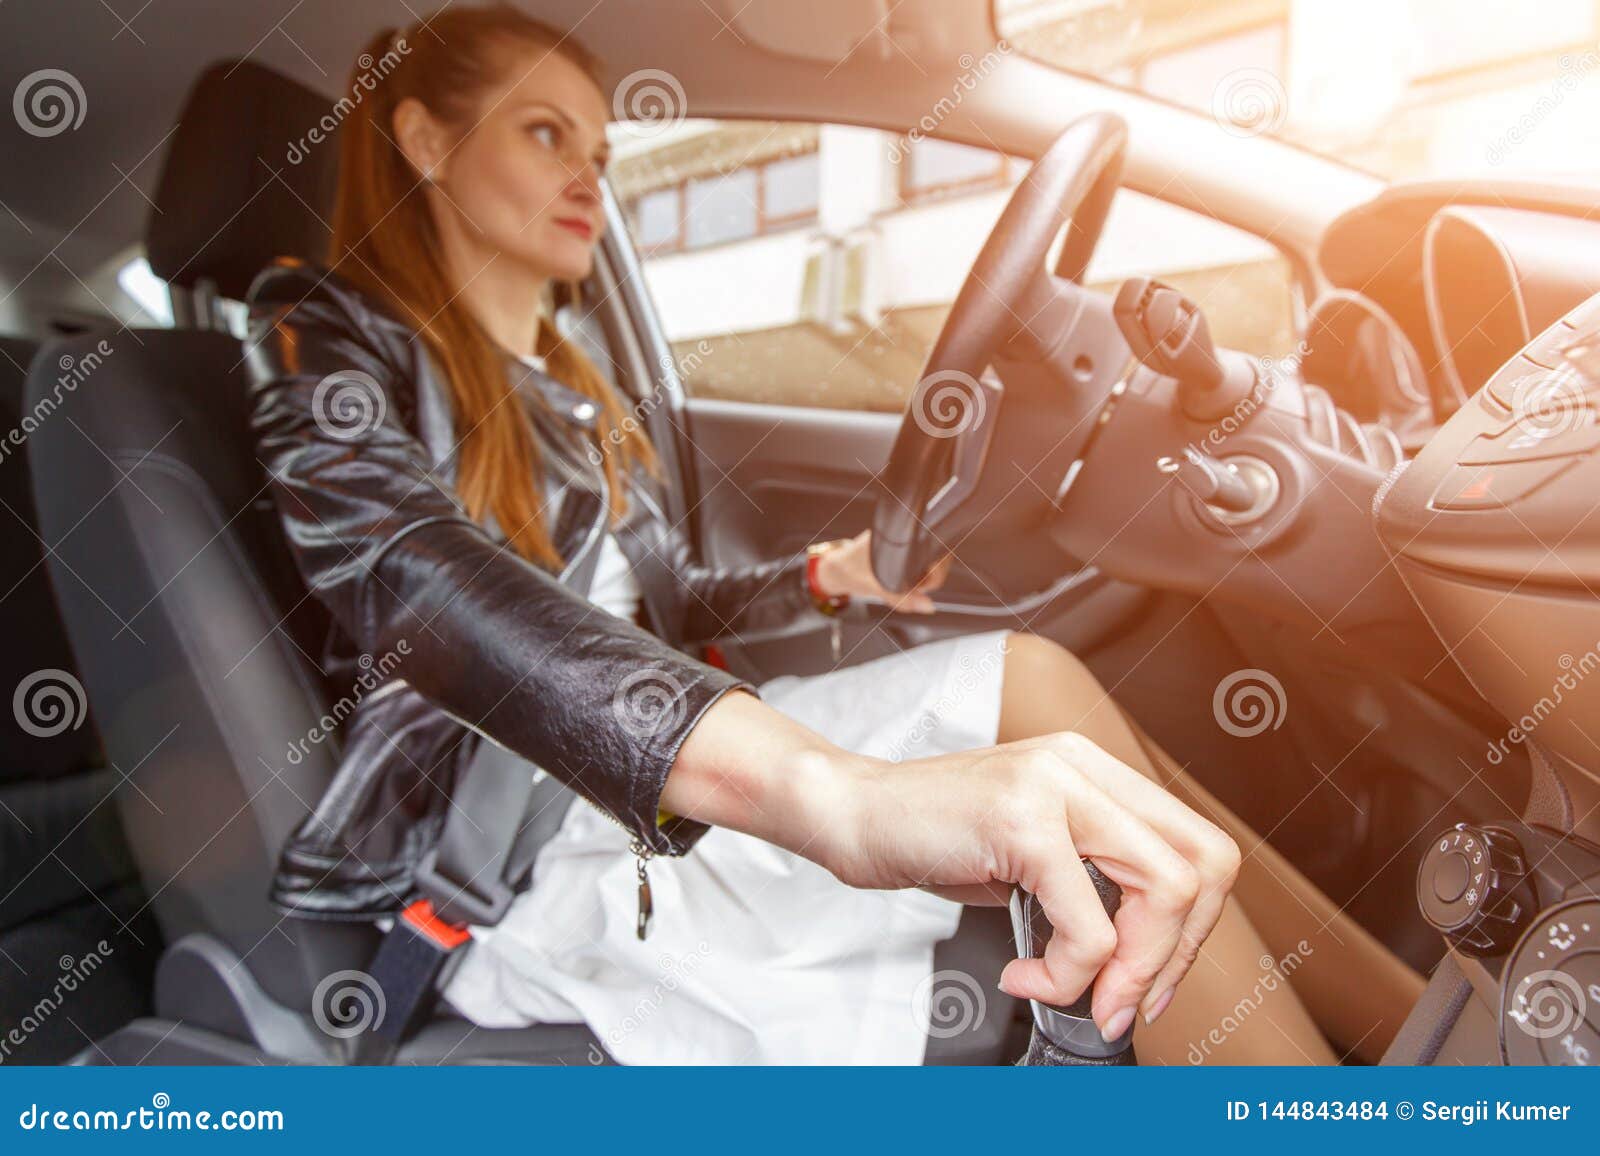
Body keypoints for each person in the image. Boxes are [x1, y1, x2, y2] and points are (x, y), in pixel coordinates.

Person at [245, 5, 1328, 1064]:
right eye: (544, 134)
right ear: (428, 142)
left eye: (600, 147)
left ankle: (1377, 1024)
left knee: (1045, 714)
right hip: (519, 835)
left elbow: (663, 608)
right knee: (1033, 690)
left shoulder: (583, 386)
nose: (590, 175)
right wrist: (831, 793)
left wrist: (829, 574)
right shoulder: (318, 325)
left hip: (648, 764)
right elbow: (396, 567)